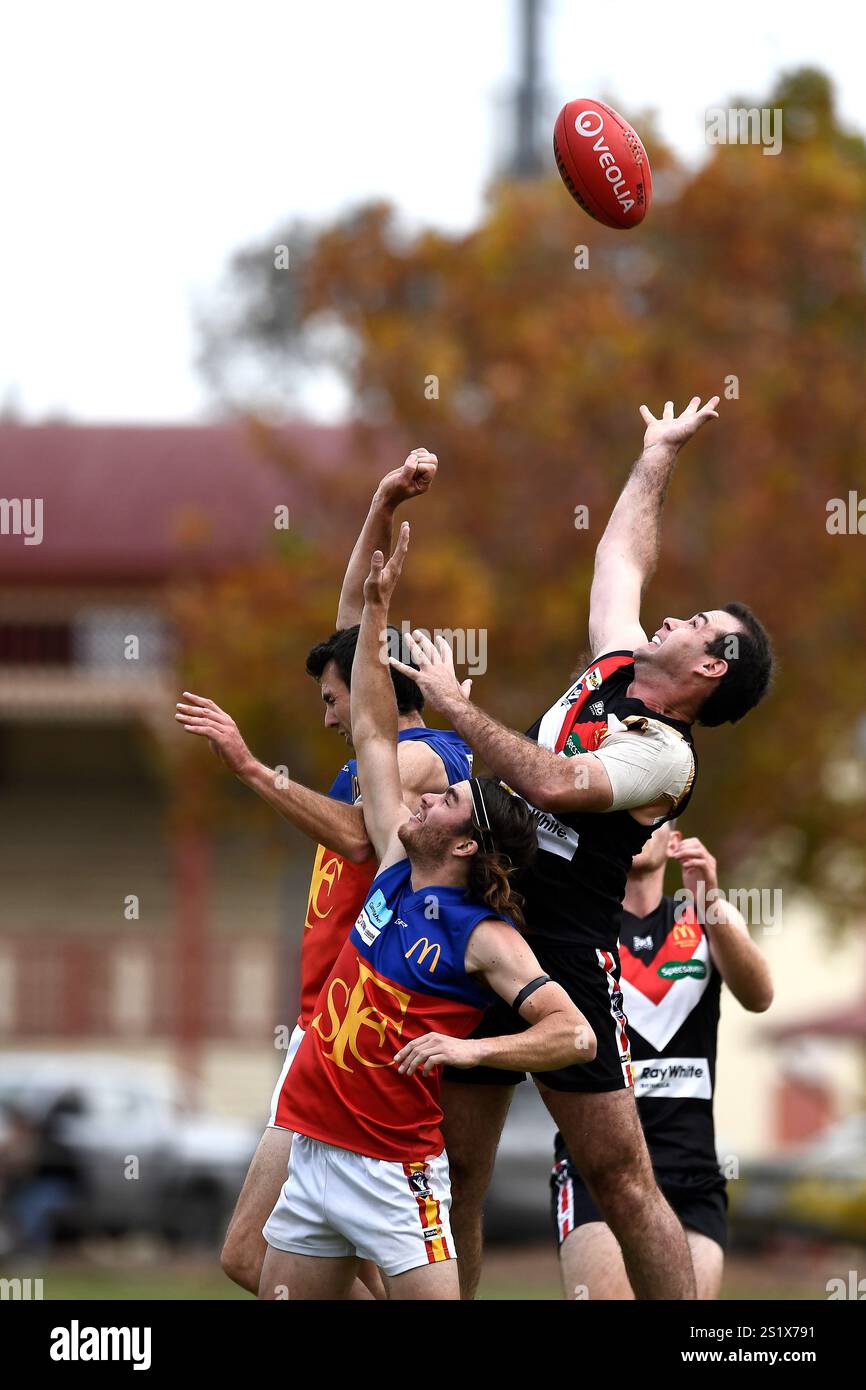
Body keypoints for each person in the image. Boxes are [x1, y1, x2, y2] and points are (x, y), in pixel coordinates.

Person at [389, 396, 775, 1299]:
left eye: (694, 625)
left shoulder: (663, 757)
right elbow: (621, 556)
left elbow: (555, 785)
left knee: (622, 1179)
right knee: (461, 1177)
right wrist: (656, 456)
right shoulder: (617, 663)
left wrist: (454, 706)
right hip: (480, 924)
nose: (671, 619)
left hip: (561, 951)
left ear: (709, 669)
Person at [258, 525, 596, 1300]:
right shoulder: (398, 869)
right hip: (321, 1144)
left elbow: (571, 1033)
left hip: (393, 1170)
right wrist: (374, 612)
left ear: (470, 845)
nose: (429, 796)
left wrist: (467, 1052)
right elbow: (374, 721)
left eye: (444, 799)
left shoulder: (482, 933)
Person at [176, 450, 471, 1298]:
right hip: (319, 1028)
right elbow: (352, 621)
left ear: (377, 688)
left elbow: (354, 835)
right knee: (263, 1261)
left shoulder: (423, 758)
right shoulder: (385, 747)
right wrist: (381, 499)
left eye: (335, 697)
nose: (330, 710)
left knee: (284, 1257)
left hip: (350, 1034)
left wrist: (252, 768)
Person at [551, 822, 773, 1299]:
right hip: (598, 1165)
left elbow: (759, 997)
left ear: (674, 842)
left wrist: (710, 903)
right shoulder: (579, 924)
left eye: (648, 818)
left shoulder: (705, 918)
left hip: (691, 1173)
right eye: (622, 816)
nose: (634, 825)